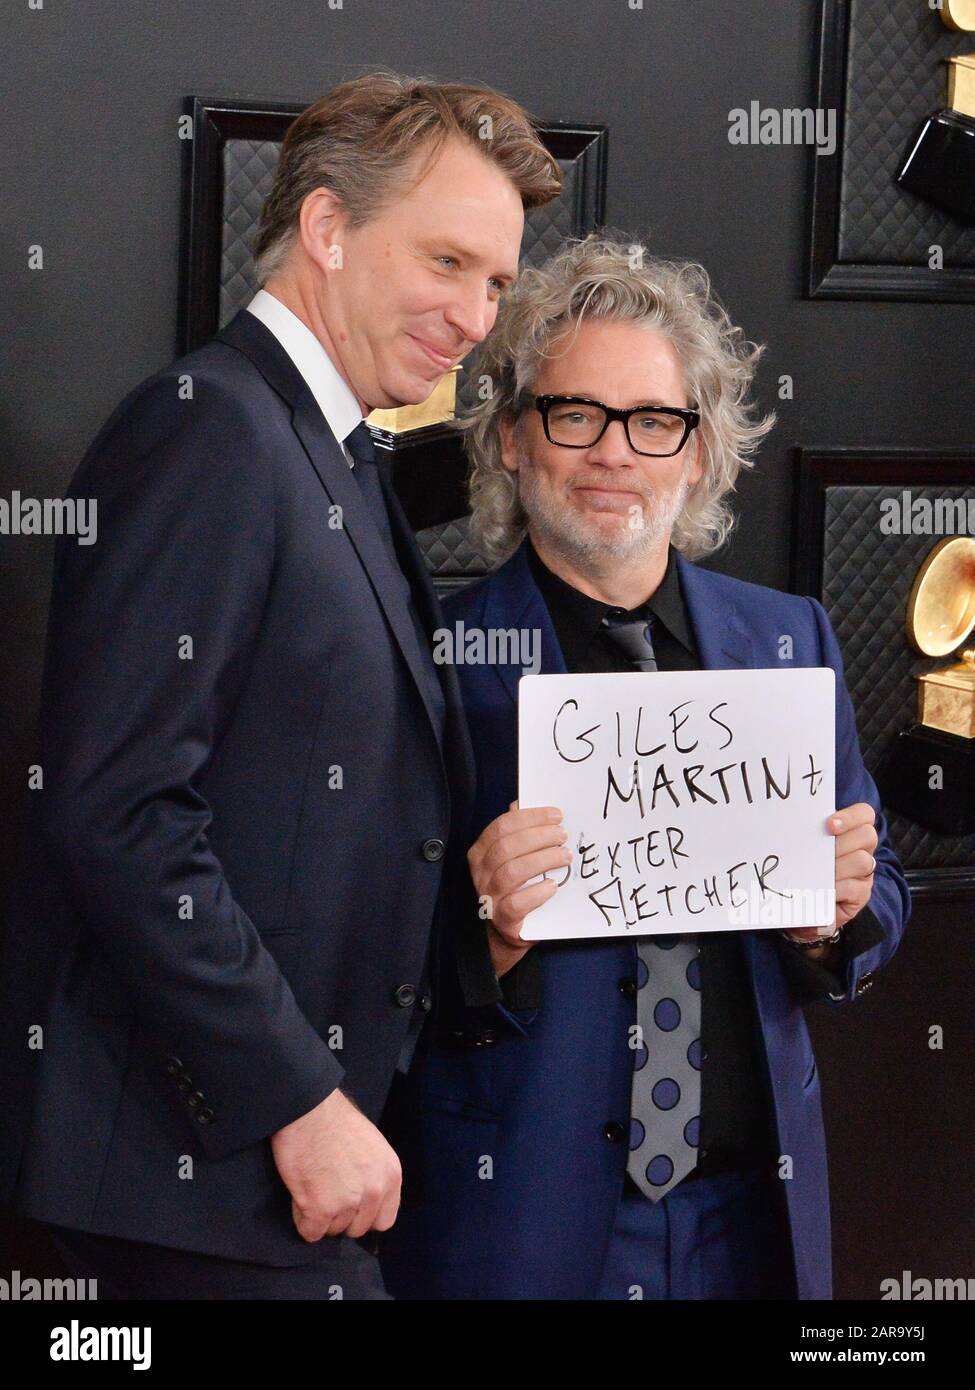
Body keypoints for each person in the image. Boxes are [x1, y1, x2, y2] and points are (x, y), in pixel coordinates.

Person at [0, 71, 560, 1300]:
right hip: (191, 1175)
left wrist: (479, 937)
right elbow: (119, 809)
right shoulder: (210, 430)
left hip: (263, 1186)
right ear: (324, 228)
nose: (477, 317)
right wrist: (298, 1098)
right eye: (450, 262)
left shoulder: (331, 449)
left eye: (499, 283)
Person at [380, 234, 912, 1301]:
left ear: (701, 453)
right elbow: (349, 952)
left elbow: (880, 893)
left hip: (749, 1222)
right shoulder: (431, 660)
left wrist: (841, 913)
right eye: (575, 415)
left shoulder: (789, 637)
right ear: (514, 442)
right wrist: (482, 927)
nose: (614, 453)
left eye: (654, 422)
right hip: (521, 1218)